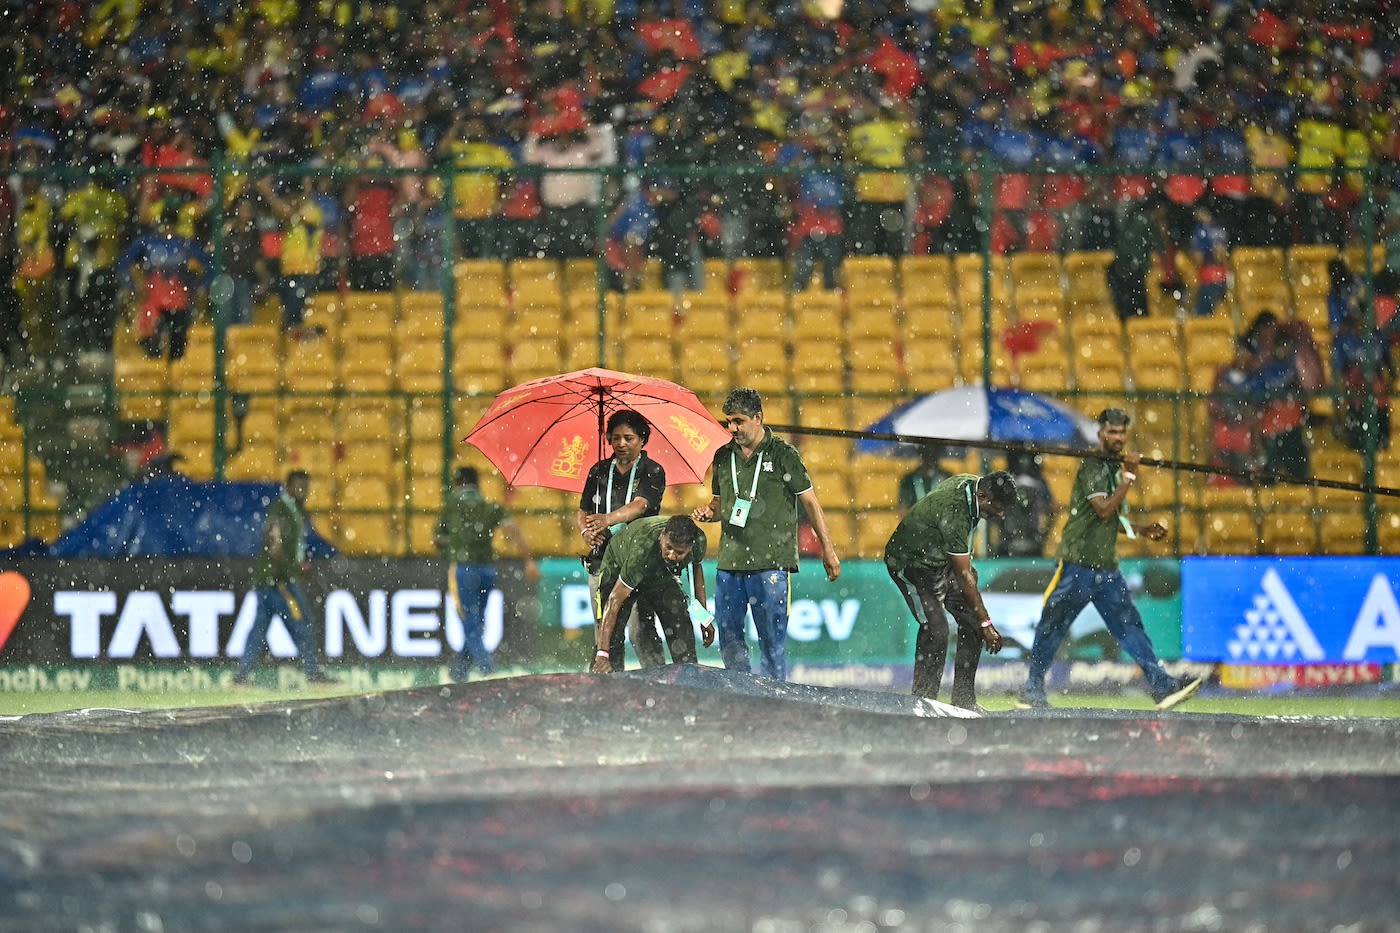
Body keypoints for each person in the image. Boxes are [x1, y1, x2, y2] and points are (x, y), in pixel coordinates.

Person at [1017, 409, 1202, 711]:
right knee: (1053, 626)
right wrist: (1129, 476)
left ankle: (1162, 687)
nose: (1117, 438)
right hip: (1077, 564)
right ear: (1100, 434)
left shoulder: (1112, 471)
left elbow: (1112, 519)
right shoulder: (1093, 466)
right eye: (1111, 432)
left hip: (1106, 567)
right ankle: (1032, 690)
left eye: (1121, 433)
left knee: (1130, 628)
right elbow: (1103, 509)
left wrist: (1141, 529)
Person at [691, 387, 841, 680]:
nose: (732, 428)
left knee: (772, 643)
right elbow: (721, 505)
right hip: (730, 563)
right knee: (730, 637)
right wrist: (708, 513)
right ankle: (741, 695)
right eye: (728, 422)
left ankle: (775, 704)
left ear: (758, 417)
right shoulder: (722, 456)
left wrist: (829, 549)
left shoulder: (784, 454)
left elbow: (810, 502)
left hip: (772, 564)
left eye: (738, 421)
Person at [884, 471, 1016, 711]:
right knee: (937, 630)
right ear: (983, 495)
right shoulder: (955, 512)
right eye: (998, 507)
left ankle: (964, 701)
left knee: (973, 622)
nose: (1001, 514)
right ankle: (923, 704)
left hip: (940, 562)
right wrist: (987, 622)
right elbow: (964, 576)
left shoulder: (971, 485)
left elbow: (963, 564)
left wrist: (981, 621)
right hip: (913, 565)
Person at [578, 409, 668, 668]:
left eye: (628, 438)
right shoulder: (598, 471)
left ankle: (657, 682)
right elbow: (583, 510)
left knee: (641, 631)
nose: (621, 444)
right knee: (603, 632)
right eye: (615, 437)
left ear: (642, 440)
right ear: (607, 438)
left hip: (638, 564)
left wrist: (607, 519)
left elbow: (640, 505)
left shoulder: (653, 470)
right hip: (601, 563)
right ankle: (608, 687)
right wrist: (587, 531)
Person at [435, 466, 539, 681]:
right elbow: (513, 530)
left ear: (457, 484)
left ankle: (488, 670)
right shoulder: (490, 506)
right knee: (476, 620)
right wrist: (528, 560)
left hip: (463, 569)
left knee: (469, 621)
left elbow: (438, 539)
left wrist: (454, 542)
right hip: (487, 570)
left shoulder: (451, 506)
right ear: (477, 484)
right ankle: (460, 671)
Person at [234, 470, 336, 685]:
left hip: (270, 580)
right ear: (288, 487)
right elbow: (274, 543)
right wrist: (288, 569)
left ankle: (241, 675)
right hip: (279, 580)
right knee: (301, 622)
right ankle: (313, 673)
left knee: (259, 628)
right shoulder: (282, 509)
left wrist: (297, 565)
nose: (303, 491)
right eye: (299, 486)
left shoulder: (293, 510)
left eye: (305, 487)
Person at [590, 515, 715, 674]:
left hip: (659, 574)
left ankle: (687, 679)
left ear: (691, 547)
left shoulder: (699, 540)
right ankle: (602, 681)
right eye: (668, 547)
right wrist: (602, 654)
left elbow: (696, 572)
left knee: (681, 627)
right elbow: (614, 601)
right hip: (619, 568)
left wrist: (704, 618)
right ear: (662, 535)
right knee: (611, 638)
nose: (672, 555)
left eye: (679, 552)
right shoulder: (642, 549)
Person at [987, 451, 1057, 557]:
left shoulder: (1003, 482)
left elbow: (1052, 508)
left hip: (1015, 542)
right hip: (1021, 542)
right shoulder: (1004, 483)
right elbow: (1052, 509)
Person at [897, 445, 956, 517]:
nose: (930, 458)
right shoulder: (909, 479)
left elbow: (953, 510)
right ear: (921, 455)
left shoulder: (948, 478)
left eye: (934, 455)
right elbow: (903, 511)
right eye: (926, 454)